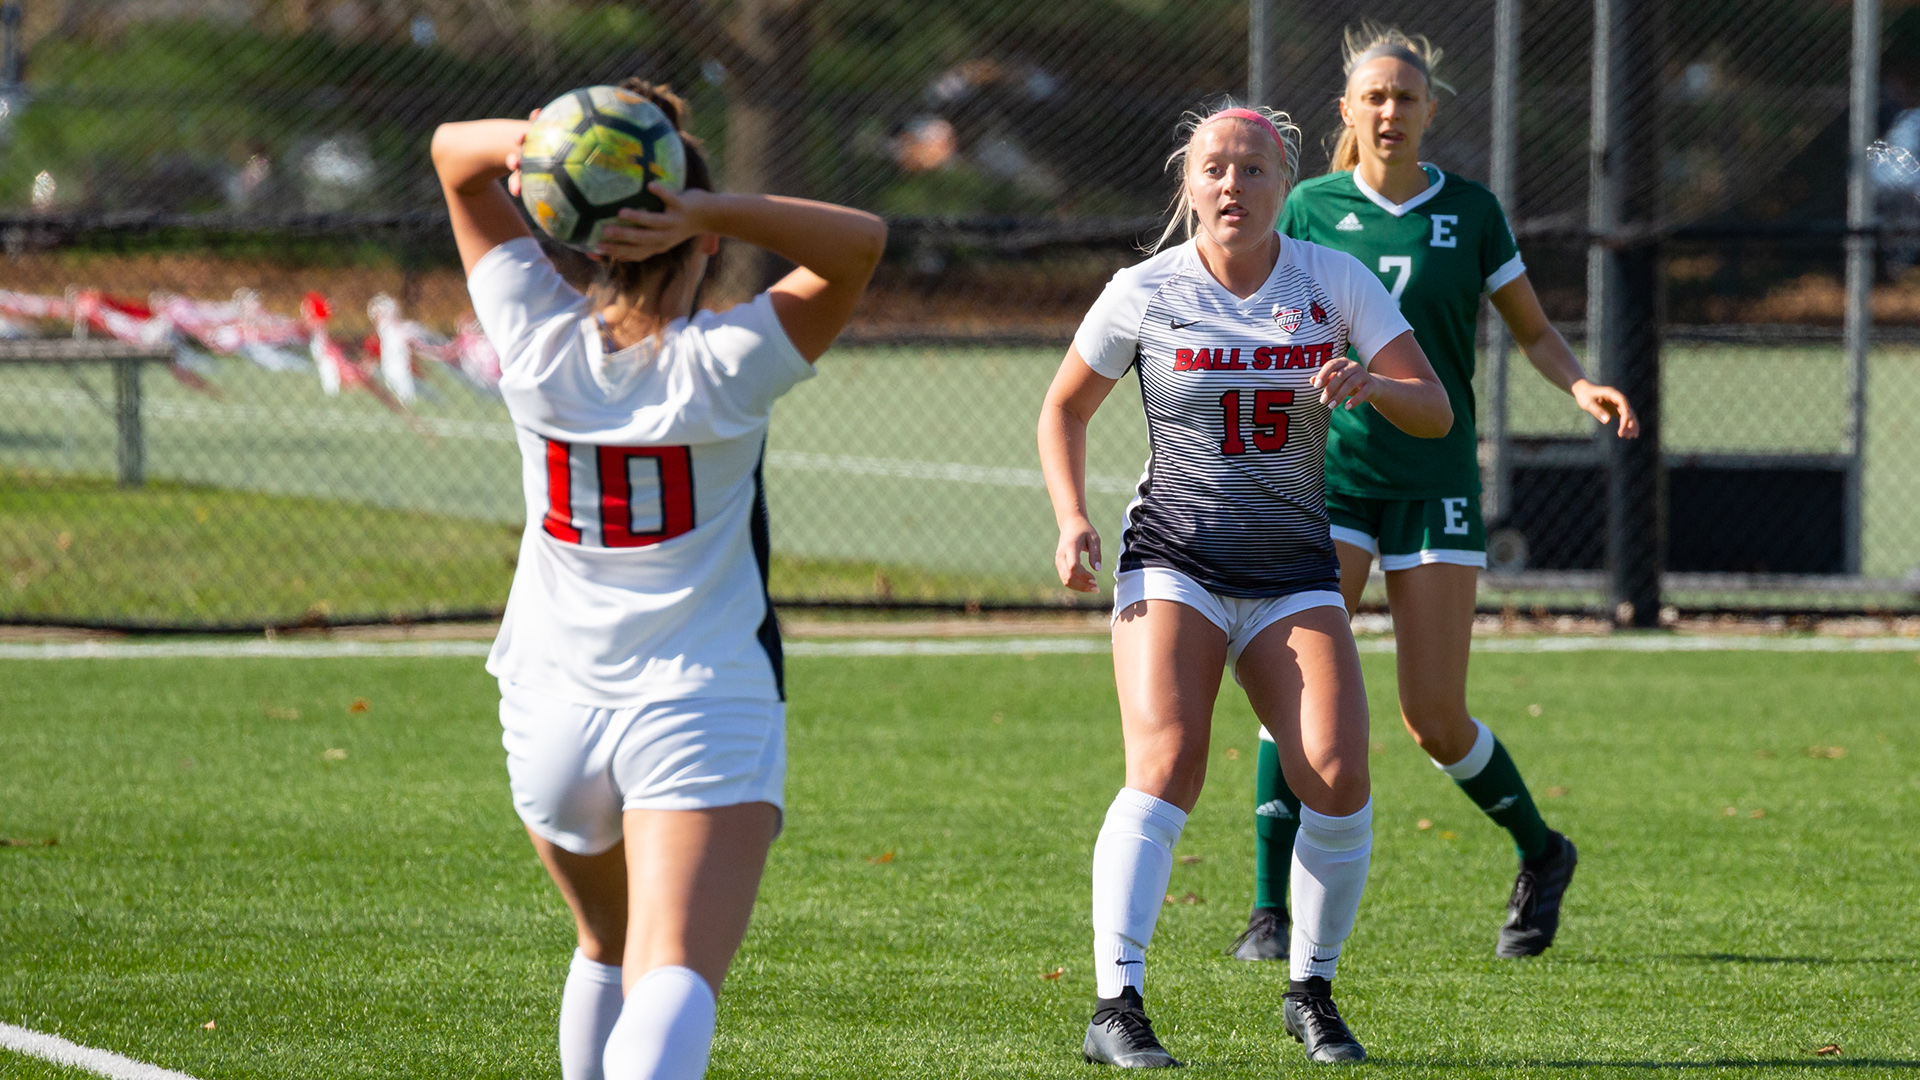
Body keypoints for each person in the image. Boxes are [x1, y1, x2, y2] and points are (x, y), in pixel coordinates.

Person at [432, 80, 885, 1080]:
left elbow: (453, 153)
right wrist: (703, 202)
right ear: (703, 238)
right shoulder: (728, 361)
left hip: (548, 703)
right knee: (670, 972)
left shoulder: (533, 336)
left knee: (606, 946)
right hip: (697, 698)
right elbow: (858, 242)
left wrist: (563, 150)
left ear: (575, 233)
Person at [1038, 103, 1453, 1066]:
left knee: (1339, 777)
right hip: (1173, 558)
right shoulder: (1144, 289)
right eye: (1217, 169)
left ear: (1285, 185)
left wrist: (1372, 385)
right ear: (1189, 184)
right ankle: (1116, 1007)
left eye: (1255, 169)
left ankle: (1311, 988)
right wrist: (1070, 517)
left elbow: (1432, 409)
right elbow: (1064, 407)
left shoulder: (1333, 280)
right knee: (1171, 759)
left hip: (1291, 568)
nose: (1234, 186)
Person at [1228, 27, 1637, 967]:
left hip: (1437, 482)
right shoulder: (1308, 208)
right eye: (1373, 97)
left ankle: (1543, 852)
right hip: (1330, 478)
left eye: (1405, 99)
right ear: (1346, 110)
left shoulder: (1472, 214)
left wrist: (1579, 384)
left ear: (1428, 113)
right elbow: (1253, 311)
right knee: (1288, 691)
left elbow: (1531, 332)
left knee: (1434, 718)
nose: (1389, 112)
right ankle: (1266, 911)